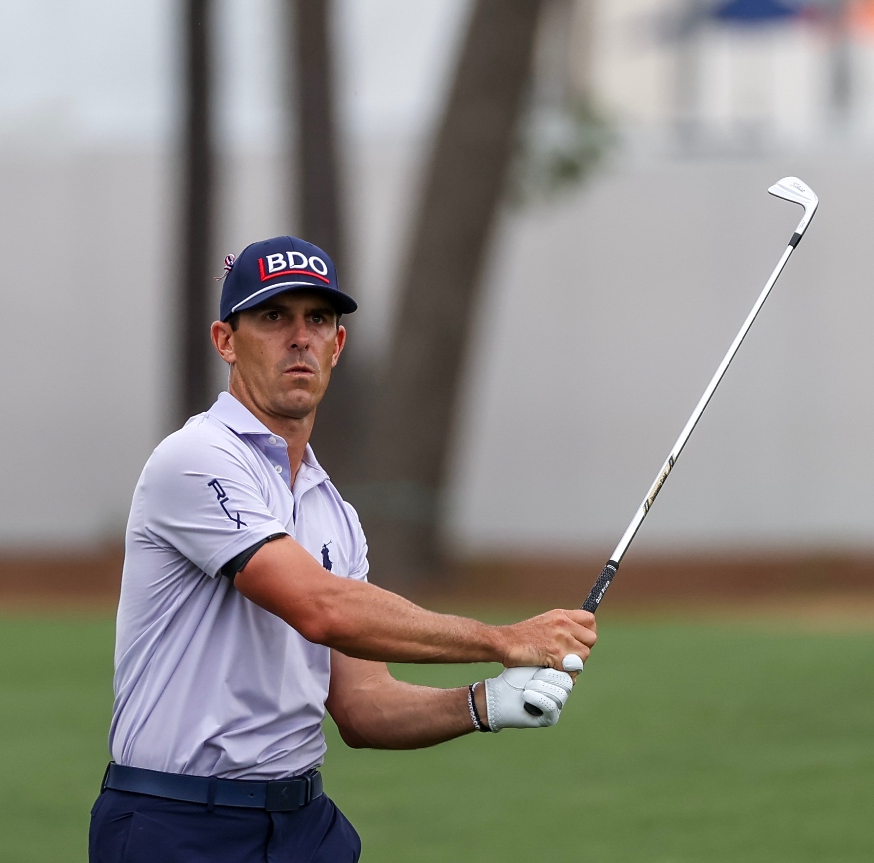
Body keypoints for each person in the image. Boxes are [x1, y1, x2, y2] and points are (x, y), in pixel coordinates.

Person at [88, 236, 598, 863]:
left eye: (318, 319)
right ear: (225, 340)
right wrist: (503, 639)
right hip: (178, 822)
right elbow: (321, 609)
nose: (299, 336)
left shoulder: (335, 512)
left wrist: (484, 702)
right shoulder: (195, 459)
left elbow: (362, 706)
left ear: (338, 345)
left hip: (303, 827)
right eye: (274, 316)